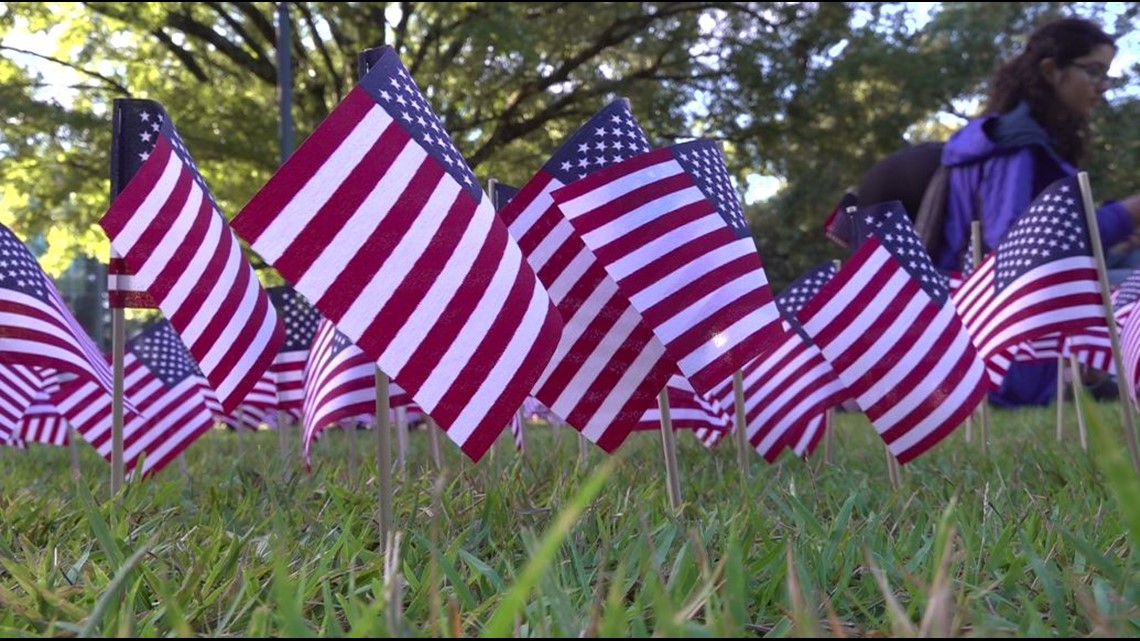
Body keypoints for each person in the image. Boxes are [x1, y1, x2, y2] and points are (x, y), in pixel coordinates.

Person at [859, 17, 1140, 408]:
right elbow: (1013, 251)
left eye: (1106, 75)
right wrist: (1127, 214)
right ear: (1050, 70)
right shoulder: (1016, 145)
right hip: (1001, 316)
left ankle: (1090, 374)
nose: (1101, 86)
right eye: (1093, 71)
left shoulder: (1030, 140)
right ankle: (1087, 375)